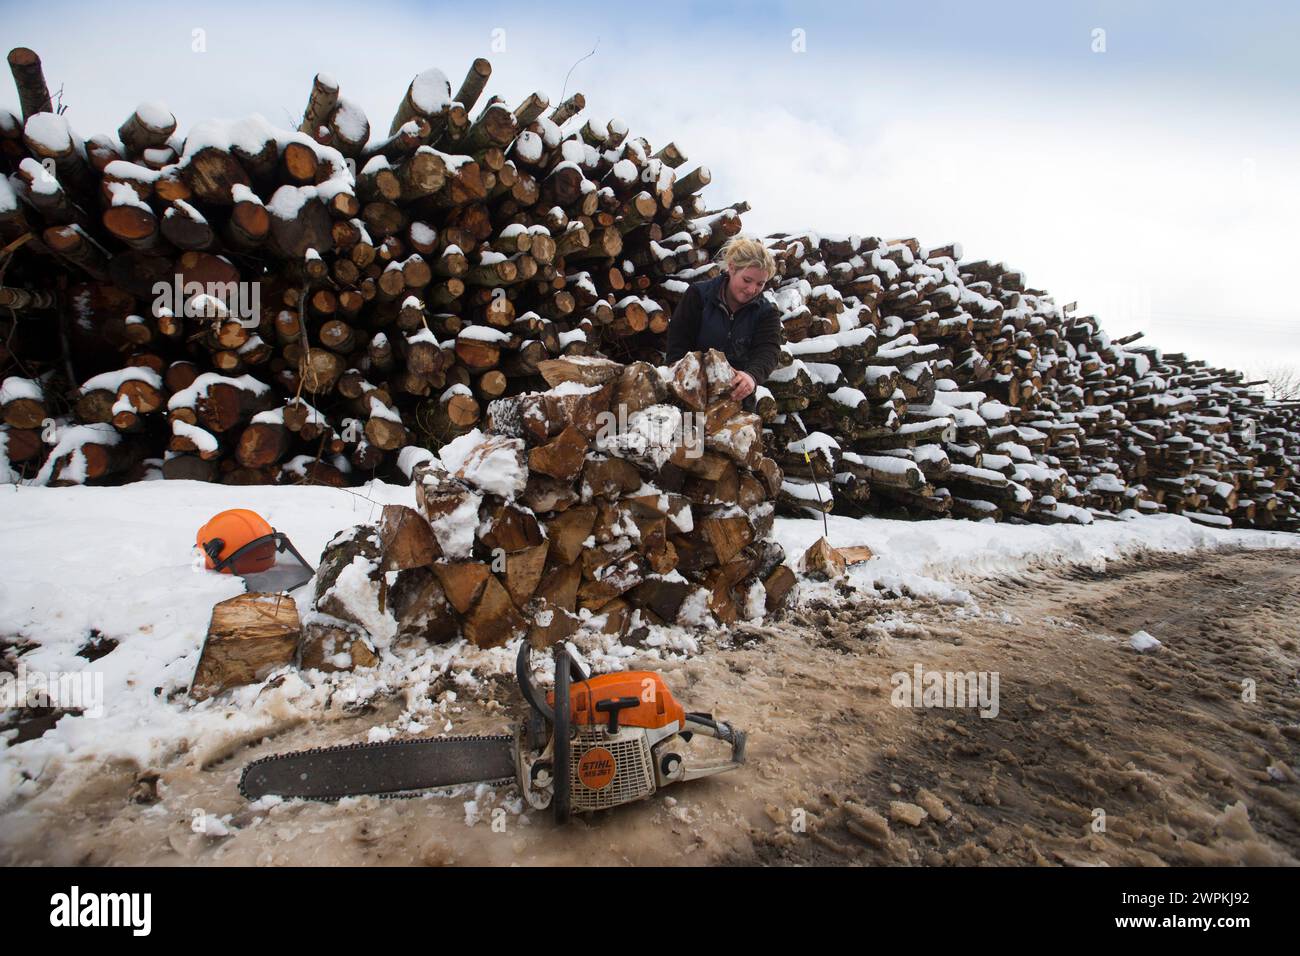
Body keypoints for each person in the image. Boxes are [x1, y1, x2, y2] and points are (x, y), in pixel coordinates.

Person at [664, 235, 781, 411]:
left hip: (737, 398)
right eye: (747, 280)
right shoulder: (698, 295)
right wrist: (686, 381)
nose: (752, 290)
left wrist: (751, 376)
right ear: (732, 268)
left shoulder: (767, 312)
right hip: (687, 392)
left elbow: (768, 350)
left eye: (760, 284)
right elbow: (677, 342)